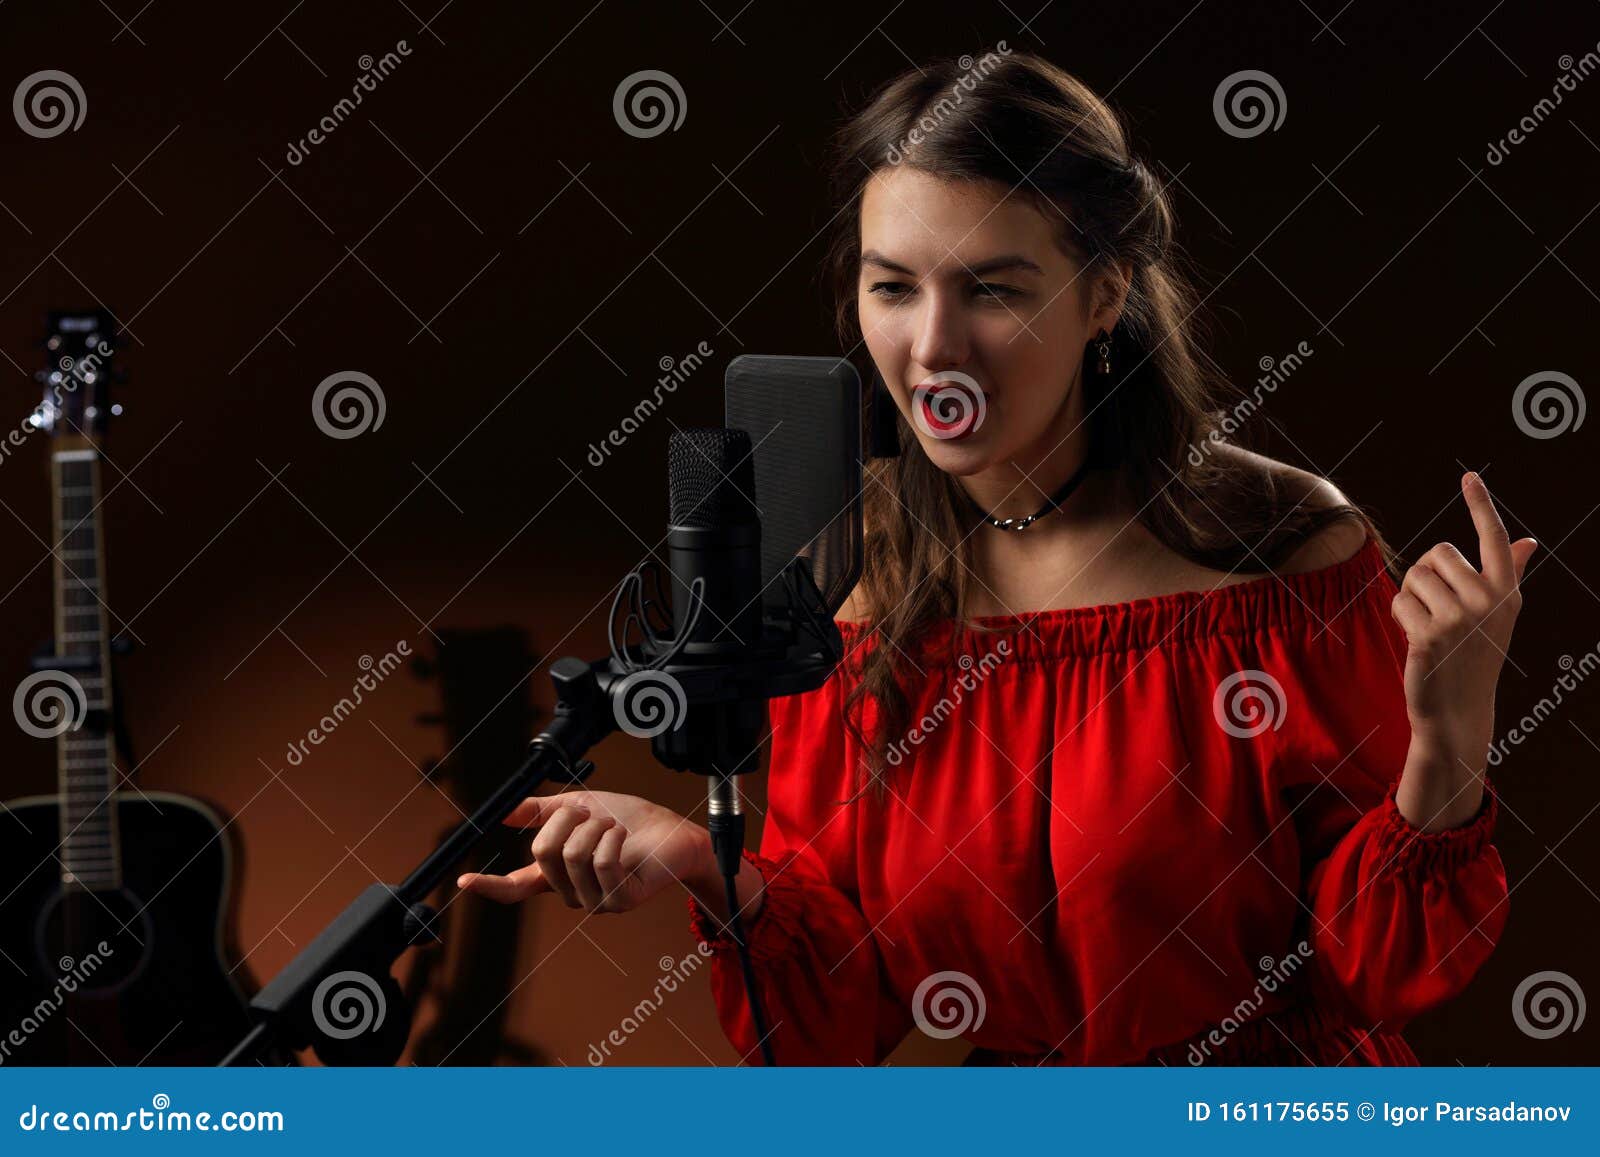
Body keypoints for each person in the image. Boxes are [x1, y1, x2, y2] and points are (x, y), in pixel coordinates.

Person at [457, 51, 1530, 1066]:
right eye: (893, 287)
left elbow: (1383, 970)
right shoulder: (844, 577)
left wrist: (1451, 736)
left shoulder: (1283, 554)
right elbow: (835, 1024)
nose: (934, 347)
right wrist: (708, 863)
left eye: (993, 290)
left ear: (1104, 294)